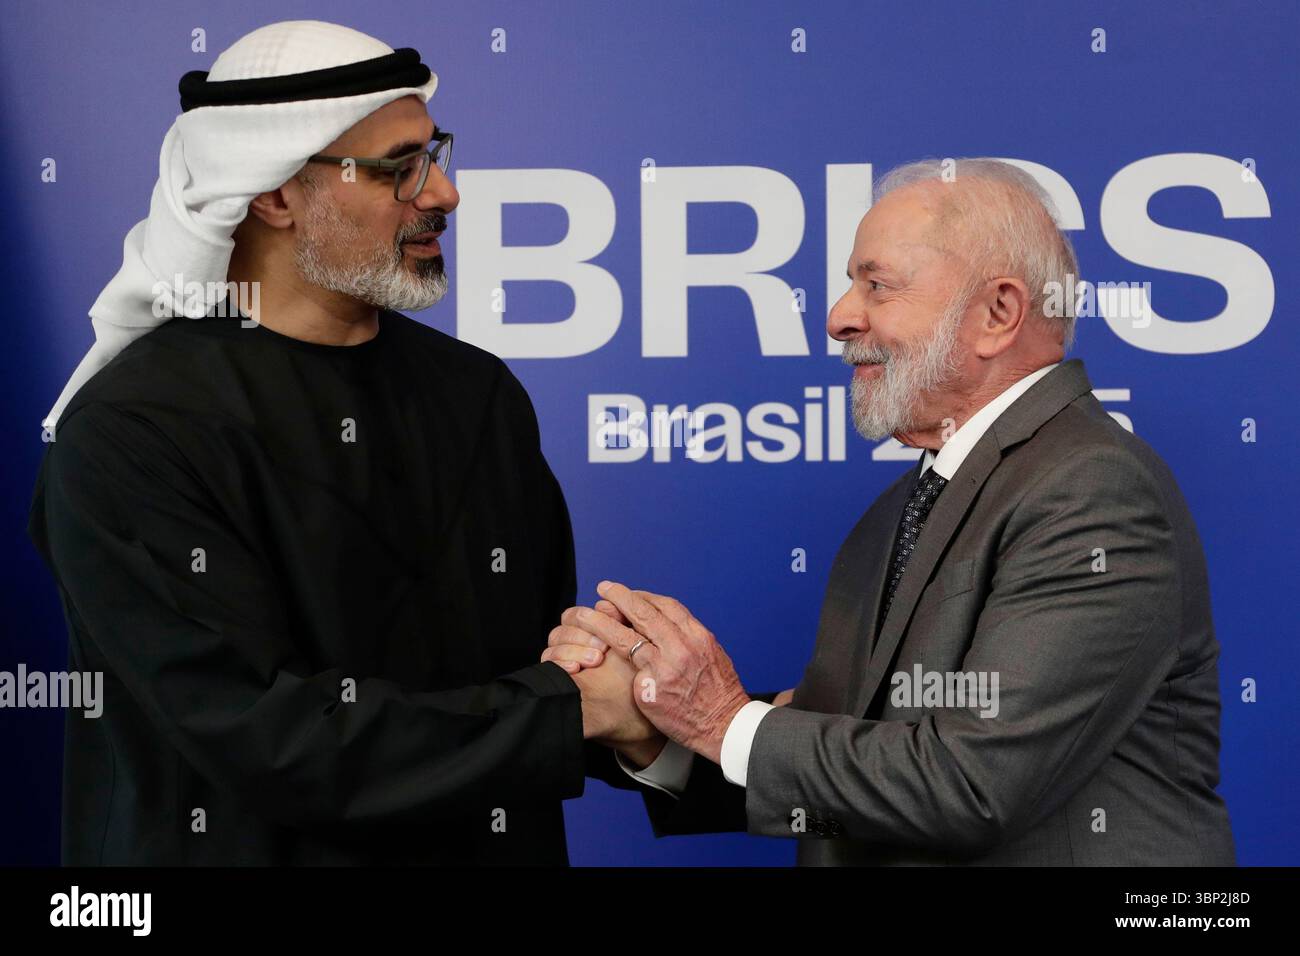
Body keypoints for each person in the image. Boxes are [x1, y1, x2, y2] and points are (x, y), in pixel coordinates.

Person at [28, 19, 654, 866]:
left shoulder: (479, 396)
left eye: (436, 155)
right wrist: (572, 708)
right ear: (274, 193)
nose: (443, 194)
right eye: (400, 168)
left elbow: (542, 680)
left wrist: (688, 725)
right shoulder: (134, 433)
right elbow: (272, 740)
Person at [547, 158, 1237, 865]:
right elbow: (850, 767)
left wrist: (722, 721)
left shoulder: (1092, 489)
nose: (840, 317)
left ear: (998, 315)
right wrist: (656, 723)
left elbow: (971, 785)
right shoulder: (901, 509)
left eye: (875, 284)